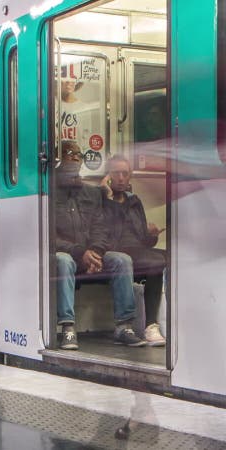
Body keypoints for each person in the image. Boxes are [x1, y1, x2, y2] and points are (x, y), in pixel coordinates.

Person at [54, 140, 145, 350]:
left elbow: (101, 228)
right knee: (63, 260)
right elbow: (49, 237)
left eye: (78, 155)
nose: (75, 159)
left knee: (122, 260)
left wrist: (95, 251)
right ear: (58, 160)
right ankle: (68, 327)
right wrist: (80, 252)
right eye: (69, 154)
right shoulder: (48, 195)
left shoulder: (92, 193)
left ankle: (124, 326)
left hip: (90, 253)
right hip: (67, 254)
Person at [101, 155, 166, 346]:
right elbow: (107, 236)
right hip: (116, 252)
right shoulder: (100, 200)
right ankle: (151, 325)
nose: (121, 178)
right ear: (108, 176)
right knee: (156, 262)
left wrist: (152, 235)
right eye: (116, 173)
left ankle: (169, 319)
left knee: (171, 258)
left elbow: (144, 241)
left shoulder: (135, 202)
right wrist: (109, 199)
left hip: (138, 251)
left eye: (125, 173)